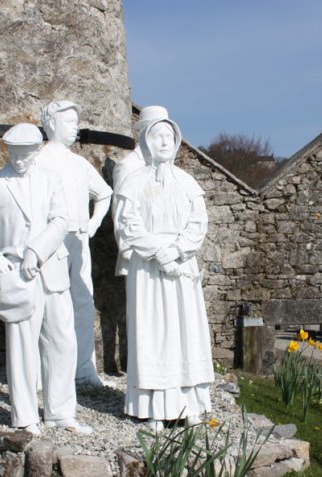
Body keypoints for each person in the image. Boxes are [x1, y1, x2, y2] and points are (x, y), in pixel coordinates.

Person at [0, 123, 91, 435]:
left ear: (36, 151)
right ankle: (24, 415)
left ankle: (60, 412)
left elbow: (60, 220)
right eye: (14, 154)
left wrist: (37, 251)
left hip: (52, 270)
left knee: (62, 342)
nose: (19, 160)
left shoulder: (51, 179)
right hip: (16, 275)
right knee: (22, 347)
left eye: (25, 154)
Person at [113, 116, 214, 432]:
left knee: (186, 333)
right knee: (153, 333)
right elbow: (127, 224)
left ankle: (191, 404)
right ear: (146, 141)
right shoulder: (133, 182)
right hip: (148, 270)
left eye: (169, 136)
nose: (164, 141)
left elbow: (198, 223)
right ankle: (153, 407)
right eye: (157, 136)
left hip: (181, 267)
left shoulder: (187, 182)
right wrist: (158, 252)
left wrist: (177, 251)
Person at [34, 101, 112, 387]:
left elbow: (104, 193)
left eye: (76, 122)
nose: (75, 127)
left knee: (82, 301)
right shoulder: (39, 160)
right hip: (51, 240)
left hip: (78, 238)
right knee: (49, 302)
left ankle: (84, 367)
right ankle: (49, 369)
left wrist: (93, 223)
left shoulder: (79, 163)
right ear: (52, 123)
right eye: (69, 121)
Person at [112, 105, 169, 277]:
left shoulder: (166, 166)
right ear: (144, 130)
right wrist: (127, 249)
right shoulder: (128, 166)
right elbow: (119, 209)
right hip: (137, 251)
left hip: (165, 250)